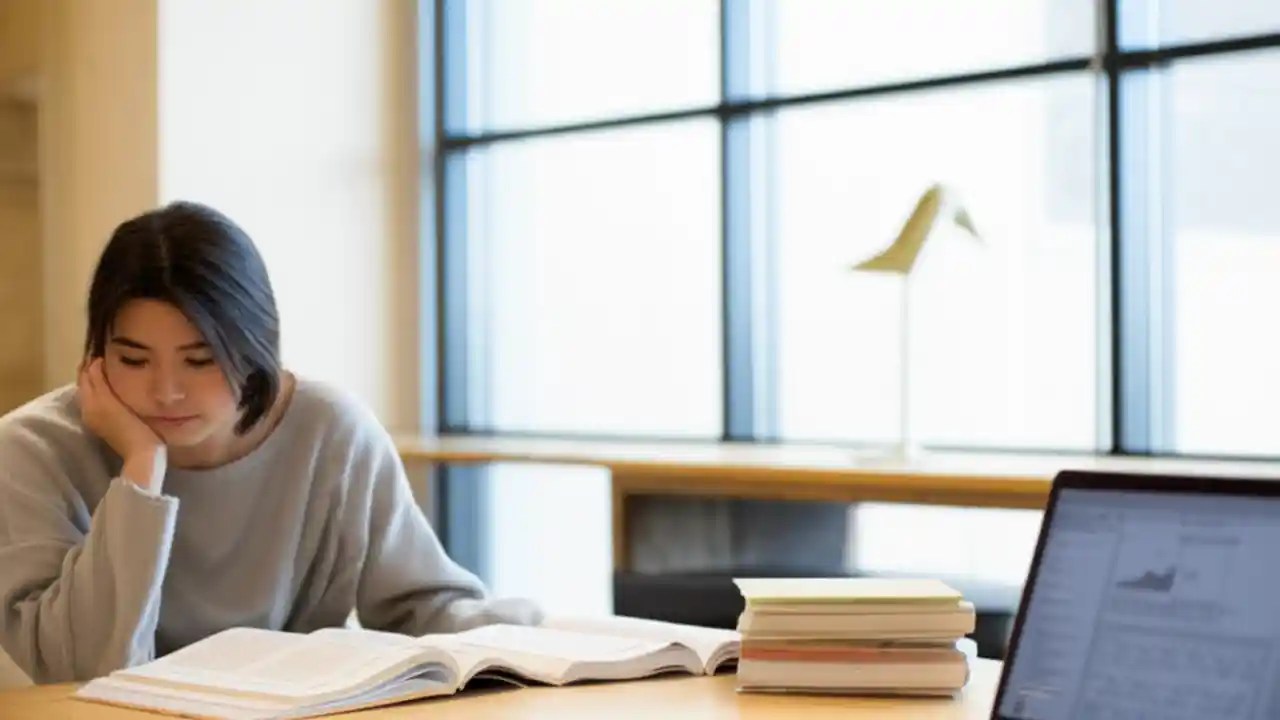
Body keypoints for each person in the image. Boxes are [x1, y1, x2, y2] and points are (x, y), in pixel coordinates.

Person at [0, 202, 540, 684]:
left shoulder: (331, 432)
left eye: (201, 359)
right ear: (97, 352)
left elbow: (422, 608)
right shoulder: (32, 449)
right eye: (134, 360)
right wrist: (141, 468)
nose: (166, 391)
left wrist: (547, 638)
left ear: (255, 347)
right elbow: (79, 670)